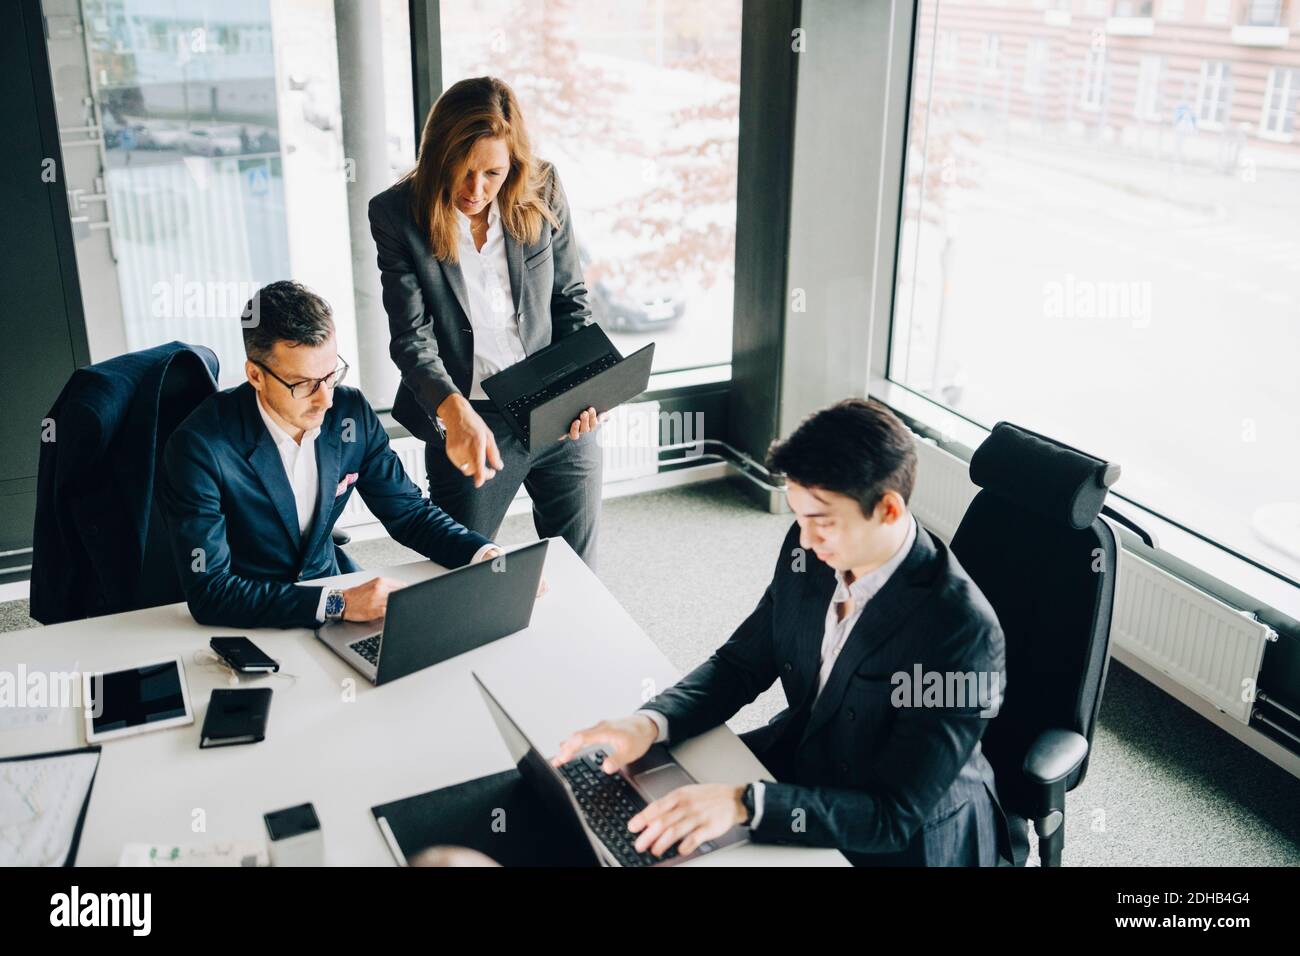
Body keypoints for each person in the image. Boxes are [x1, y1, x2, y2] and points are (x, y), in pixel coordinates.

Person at [553, 399, 1011, 866]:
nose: (806, 540)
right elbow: (742, 663)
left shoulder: (962, 633)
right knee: (640, 809)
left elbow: (893, 815)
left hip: (903, 838)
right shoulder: (809, 547)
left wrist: (744, 804)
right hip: (810, 760)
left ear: (889, 510)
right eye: (798, 515)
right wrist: (650, 722)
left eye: (823, 521)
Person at [159, 280, 502, 629]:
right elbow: (210, 592)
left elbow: (410, 514)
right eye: (304, 383)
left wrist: (482, 554)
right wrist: (337, 603)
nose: (325, 399)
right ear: (256, 375)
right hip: (253, 612)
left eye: (330, 375)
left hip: (335, 584)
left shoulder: (350, 413)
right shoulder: (199, 447)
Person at [369, 75, 603, 569]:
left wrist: (587, 389)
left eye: (493, 174)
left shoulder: (543, 187)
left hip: (556, 405)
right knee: (462, 573)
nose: (476, 190)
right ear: (438, 155)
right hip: (471, 415)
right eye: (464, 169)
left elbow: (570, 299)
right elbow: (412, 339)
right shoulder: (396, 214)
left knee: (578, 570)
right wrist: (455, 415)